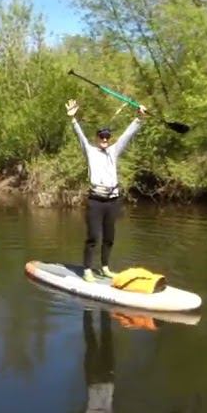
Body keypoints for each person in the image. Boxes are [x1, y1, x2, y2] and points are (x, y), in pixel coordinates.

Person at [66, 98, 146, 282]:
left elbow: (127, 135)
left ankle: (105, 268)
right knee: (93, 236)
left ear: (109, 140)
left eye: (107, 137)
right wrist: (73, 119)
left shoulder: (114, 150)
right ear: (97, 139)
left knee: (109, 237)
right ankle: (87, 269)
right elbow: (80, 136)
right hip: (95, 201)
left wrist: (139, 118)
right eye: (101, 137)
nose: (104, 139)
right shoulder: (90, 151)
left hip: (112, 201)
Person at [70, 309, 131, 413]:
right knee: (107, 339)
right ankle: (105, 310)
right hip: (109, 374)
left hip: (94, 376)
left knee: (91, 342)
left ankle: (87, 310)